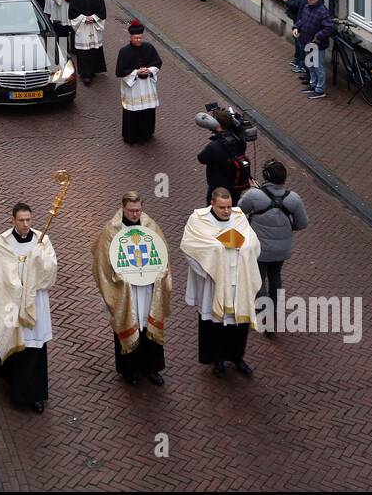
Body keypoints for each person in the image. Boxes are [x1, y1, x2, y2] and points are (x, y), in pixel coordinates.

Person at [0, 202, 58, 413]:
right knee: (9, 336)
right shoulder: (2, 243)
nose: (26, 225)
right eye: (21, 220)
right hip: (11, 301)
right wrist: (14, 285)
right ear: (13, 220)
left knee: (33, 347)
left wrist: (39, 260)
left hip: (35, 302)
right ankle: (7, 378)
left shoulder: (42, 240)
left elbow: (51, 271)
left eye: (29, 220)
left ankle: (33, 395)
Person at [91, 192, 171, 386]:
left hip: (148, 289)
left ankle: (151, 368)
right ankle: (129, 370)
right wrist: (119, 276)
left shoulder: (150, 227)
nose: (135, 214)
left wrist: (159, 273)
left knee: (148, 325)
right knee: (130, 322)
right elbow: (101, 262)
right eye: (131, 211)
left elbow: (162, 254)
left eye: (138, 210)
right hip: (125, 290)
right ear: (123, 208)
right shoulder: (111, 231)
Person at [181, 188, 263, 377]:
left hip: (239, 279)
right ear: (212, 204)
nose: (227, 211)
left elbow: (253, 243)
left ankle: (236, 357)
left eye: (228, 206)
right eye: (221, 207)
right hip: (214, 281)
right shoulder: (199, 221)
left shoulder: (239, 217)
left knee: (238, 323)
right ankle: (217, 359)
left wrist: (242, 247)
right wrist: (210, 267)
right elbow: (189, 247)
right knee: (215, 323)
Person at [239, 159, 309, 333]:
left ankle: (265, 311)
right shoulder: (293, 198)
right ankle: (274, 308)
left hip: (259, 250)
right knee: (275, 276)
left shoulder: (254, 195)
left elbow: (239, 210)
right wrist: (287, 228)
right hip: (281, 250)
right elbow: (302, 223)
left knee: (257, 281)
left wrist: (251, 191)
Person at [116, 21, 162, 144]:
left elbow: (157, 63)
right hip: (133, 87)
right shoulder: (124, 51)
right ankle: (131, 136)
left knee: (147, 111)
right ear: (130, 37)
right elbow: (120, 71)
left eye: (140, 37)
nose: (138, 40)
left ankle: (146, 135)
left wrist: (149, 70)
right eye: (135, 38)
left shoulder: (149, 48)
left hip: (147, 85)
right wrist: (136, 72)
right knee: (133, 112)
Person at [196, 109, 253, 206]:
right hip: (235, 186)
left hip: (218, 187)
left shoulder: (214, 146)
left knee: (213, 212)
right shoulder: (240, 140)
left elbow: (202, 158)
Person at [293, 0, 335, 99]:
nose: (308, 0)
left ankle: (320, 90)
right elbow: (303, 20)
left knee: (318, 67)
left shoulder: (323, 11)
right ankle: (313, 85)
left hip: (317, 45)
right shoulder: (307, 7)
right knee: (310, 65)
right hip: (306, 41)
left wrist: (318, 36)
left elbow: (330, 27)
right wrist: (296, 27)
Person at [68, 0, 107, 85]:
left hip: (94, 26)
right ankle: (85, 75)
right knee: (84, 52)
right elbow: (72, 12)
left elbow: (102, 11)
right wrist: (84, 18)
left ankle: (93, 70)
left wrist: (94, 18)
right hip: (82, 26)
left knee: (94, 49)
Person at [285, 0, 319, 74]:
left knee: (313, 59)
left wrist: (290, 3)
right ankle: (305, 71)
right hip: (301, 23)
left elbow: (306, 13)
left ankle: (306, 72)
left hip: (309, 31)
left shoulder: (310, 0)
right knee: (301, 45)